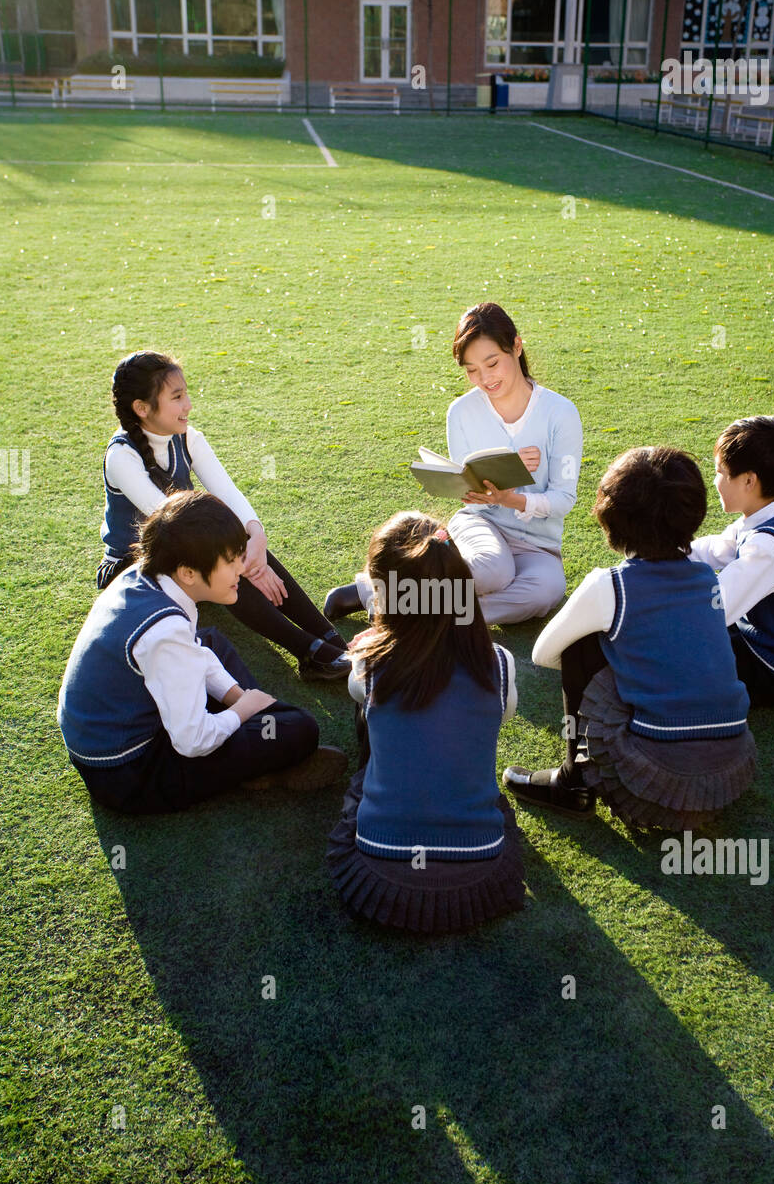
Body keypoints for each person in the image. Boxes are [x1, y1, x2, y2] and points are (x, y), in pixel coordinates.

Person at [503, 447, 757, 830]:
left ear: (611, 516)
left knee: (581, 645)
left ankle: (572, 782)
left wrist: (619, 657)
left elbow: (544, 653)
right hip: (730, 765)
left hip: (657, 770)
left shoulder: (611, 584)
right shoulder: (707, 577)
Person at [58, 491, 347, 814]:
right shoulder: (164, 633)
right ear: (188, 572)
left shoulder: (149, 575)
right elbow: (192, 740)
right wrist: (243, 711)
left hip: (115, 730)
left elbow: (195, 652)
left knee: (210, 643)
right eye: (231, 560)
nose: (242, 568)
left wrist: (238, 696)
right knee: (300, 729)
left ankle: (266, 738)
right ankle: (268, 759)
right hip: (130, 773)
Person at [326, 511, 526, 933]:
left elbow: (361, 698)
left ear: (384, 595)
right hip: (481, 874)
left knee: (370, 727)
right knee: (492, 797)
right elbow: (499, 716)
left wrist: (375, 645)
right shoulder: (500, 664)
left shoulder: (368, 666)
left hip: (378, 875)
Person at [323, 302, 582, 627]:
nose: (484, 378)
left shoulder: (560, 413)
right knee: (493, 570)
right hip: (481, 525)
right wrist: (484, 492)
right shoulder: (461, 412)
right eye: (472, 370)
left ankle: (401, 607)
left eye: (492, 363)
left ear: (516, 346)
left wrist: (509, 497)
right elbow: (468, 490)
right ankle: (386, 592)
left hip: (538, 546)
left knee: (546, 591)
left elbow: (564, 499)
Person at [98, 350, 350, 682]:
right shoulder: (122, 456)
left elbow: (228, 493)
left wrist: (255, 537)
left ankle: (334, 641)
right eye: (176, 397)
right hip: (135, 568)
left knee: (239, 546)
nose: (188, 404)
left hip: (184, 555)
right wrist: (243, 563)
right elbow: (174, 529)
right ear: (142, 408)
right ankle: (310, 653)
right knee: (220, 557)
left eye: (186, 393)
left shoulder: (188, 437)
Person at [689, 415, 774, 706]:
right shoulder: (773, 509)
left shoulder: (768, 545)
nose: (714, 481)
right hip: (754, 636)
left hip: (770, 668)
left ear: (749, 481)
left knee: (673, 646)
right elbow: (717, 548)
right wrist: (668, 551)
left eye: (720, 472)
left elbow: (713, 609)